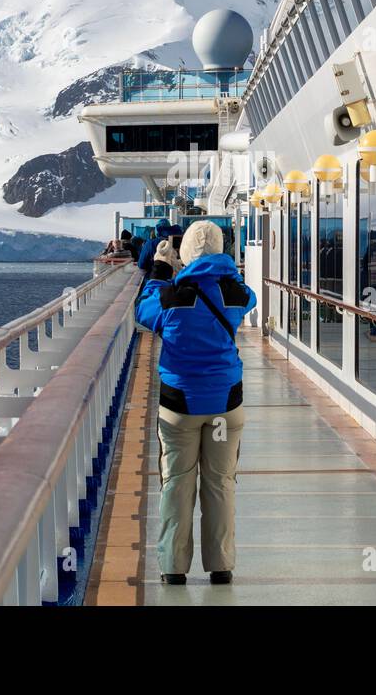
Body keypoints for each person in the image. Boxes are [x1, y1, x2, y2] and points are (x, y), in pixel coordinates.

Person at [136, 220, 256, 586]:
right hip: (224, 402)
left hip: (180, 406)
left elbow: (144, 312)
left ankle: (173, 567)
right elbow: (247, 295)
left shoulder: (172, 295)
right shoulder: (234, 293)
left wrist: (161, 269)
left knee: (177, 483)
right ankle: (221, 566)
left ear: (184, 253)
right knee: (220, 482)